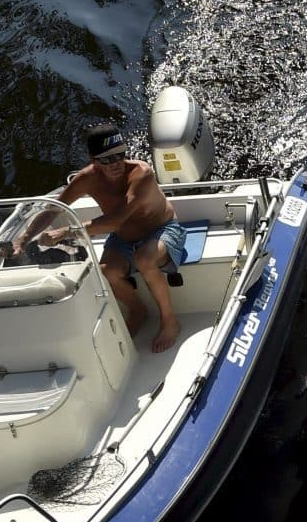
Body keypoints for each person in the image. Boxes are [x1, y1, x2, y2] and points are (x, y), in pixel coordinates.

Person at [12, 122, 188, 353]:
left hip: (162, 229)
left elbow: (115, 220)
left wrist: (64, 232)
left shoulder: (141, 173)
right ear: (93, 159)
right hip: (123, 237)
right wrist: (22, 240)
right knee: (106, 271)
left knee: (144, 260)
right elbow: (53, 209)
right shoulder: (86, 179)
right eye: (106, 159)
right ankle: (137, 311)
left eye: (119, 155)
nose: (115, 163)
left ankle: (169, 321)